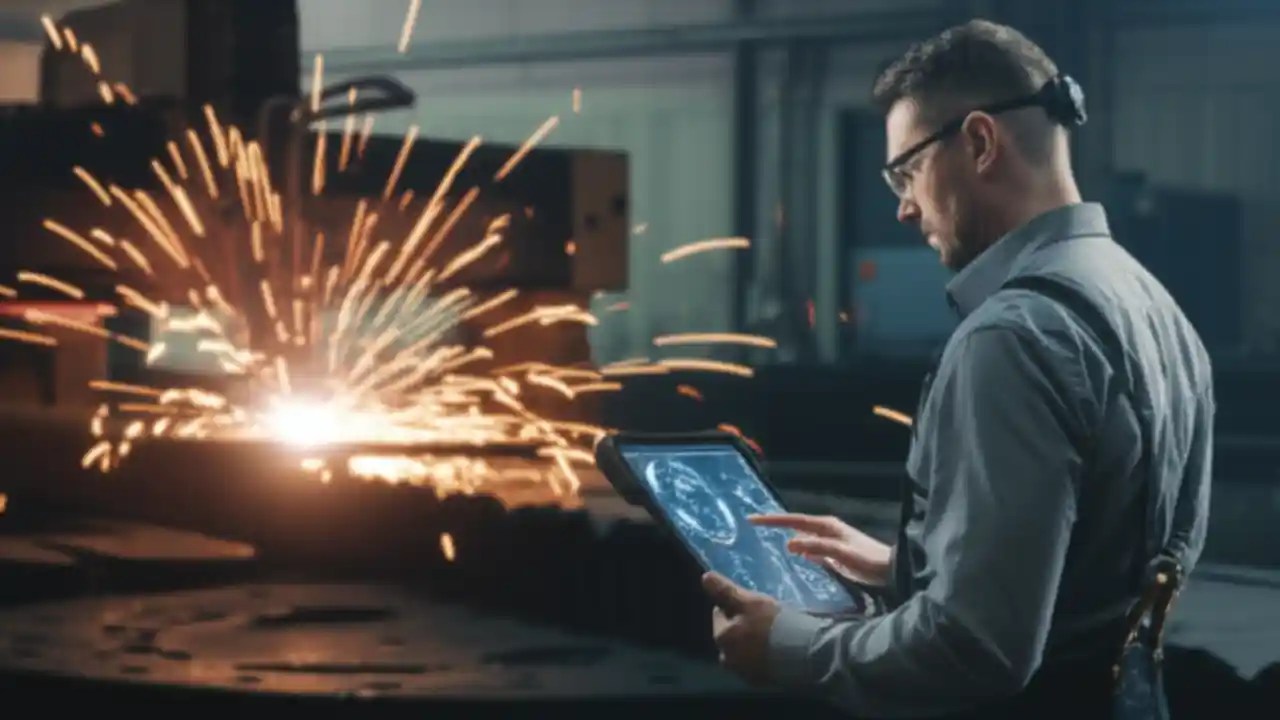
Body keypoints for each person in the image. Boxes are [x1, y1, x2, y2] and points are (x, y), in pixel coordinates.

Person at [701, 18, 1215, 719]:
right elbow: (1098, 572)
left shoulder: (1008, 338)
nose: (905, 207)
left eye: (905, 171)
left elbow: (978, 648)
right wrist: (904, 567)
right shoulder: (1154, 307)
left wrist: (789, 644)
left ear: (979, 142)